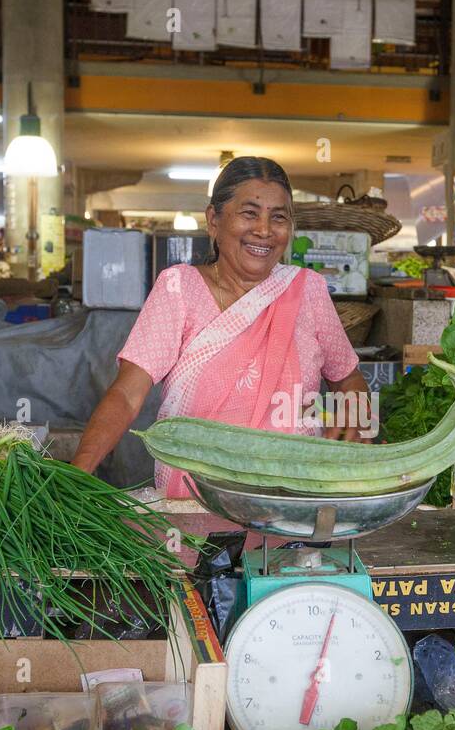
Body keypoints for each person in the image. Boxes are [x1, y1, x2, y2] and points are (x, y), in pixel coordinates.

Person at [71, 156, 372, 497]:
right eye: (249, 213)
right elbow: (127, 393)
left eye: (278, 217)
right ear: (214, 220)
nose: (264, 230)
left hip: (294, 502)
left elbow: (348, 377)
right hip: (198, 501)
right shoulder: (179, 289)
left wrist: (355, 417)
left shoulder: (308, 291)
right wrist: (77, 474)